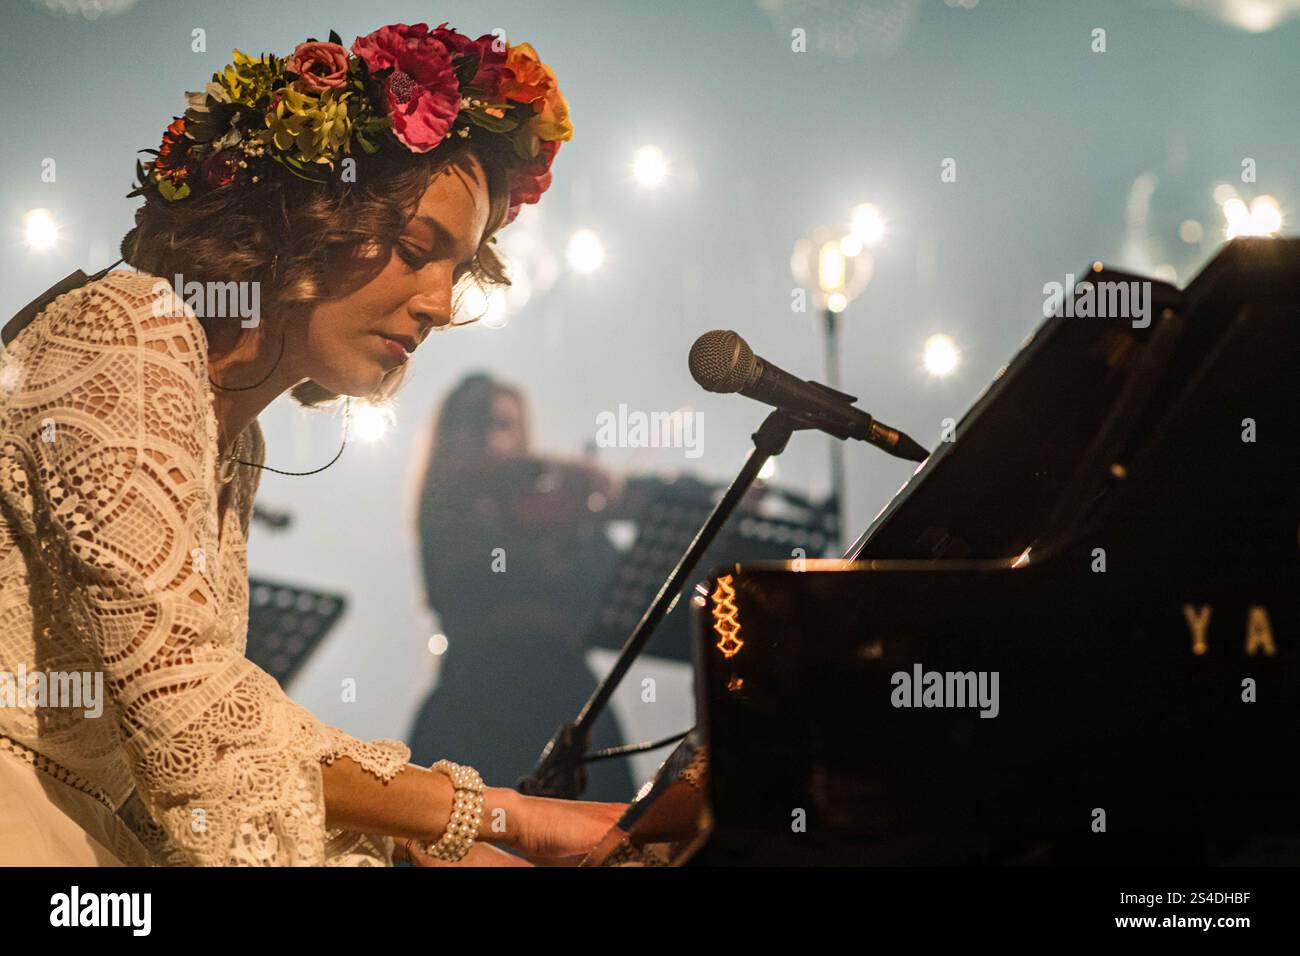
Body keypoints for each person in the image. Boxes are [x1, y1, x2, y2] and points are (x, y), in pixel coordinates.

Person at [0, 21, 624, 866]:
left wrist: (447, 845)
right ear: (308, 216)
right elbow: (190, 716)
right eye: (415, 249)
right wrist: (499, 815)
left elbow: (227, 755)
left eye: (458, 269)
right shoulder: (128, 328)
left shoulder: (239, 441)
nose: (440, 304)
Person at [408, 373, 634, 801]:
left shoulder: (549, 508)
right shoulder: (448, 509)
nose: (495, 441)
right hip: (476, 703)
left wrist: (589, 520)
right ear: (454, 435)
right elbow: (479, 576)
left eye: (507, 426)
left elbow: (608, 587)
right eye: (482, 425)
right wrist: (568, 479)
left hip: (569, 705)